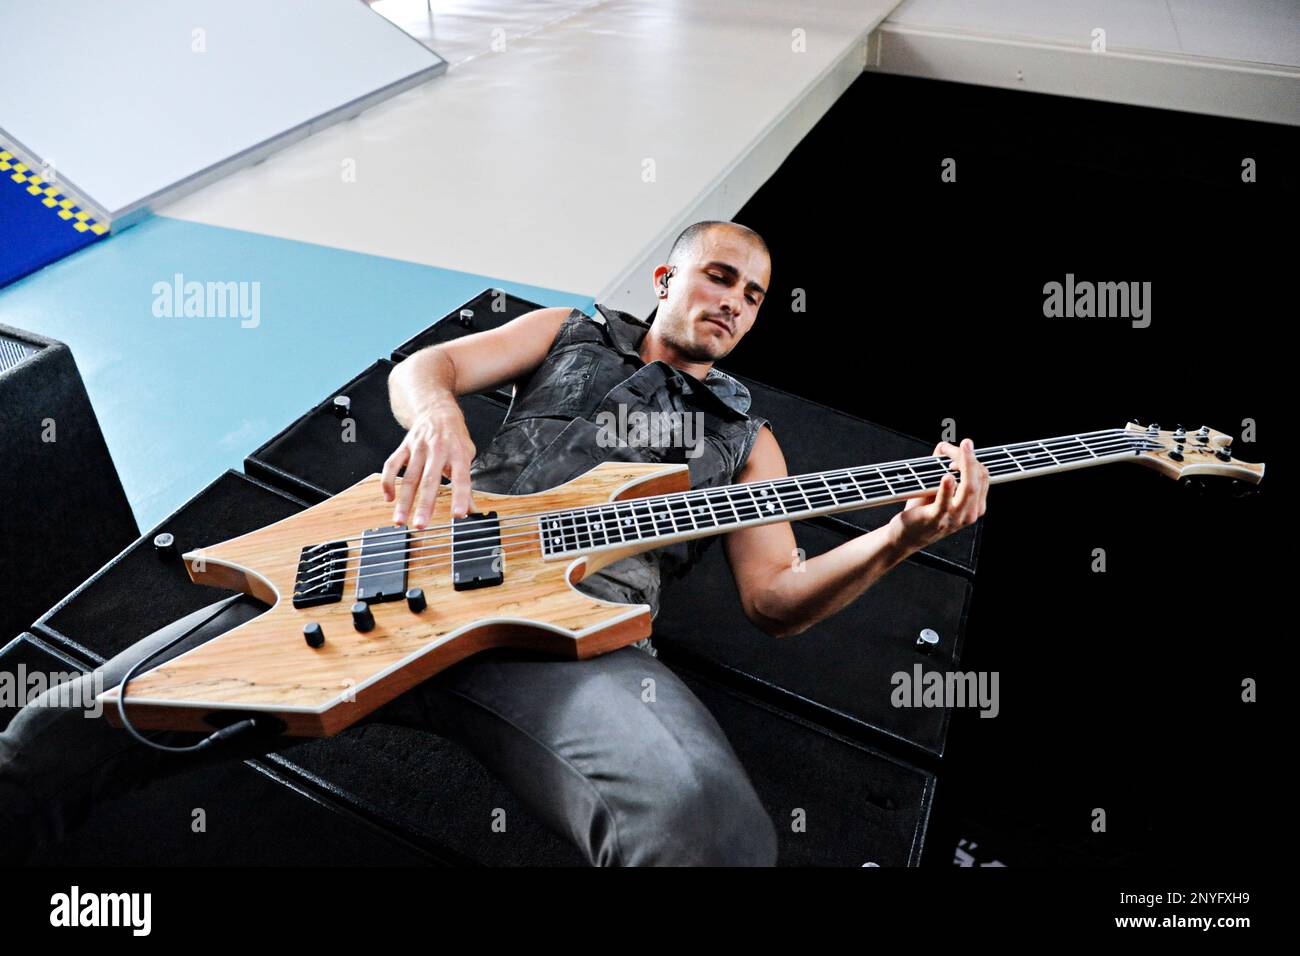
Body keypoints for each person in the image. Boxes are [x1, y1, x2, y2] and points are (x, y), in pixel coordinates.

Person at [0, 220, 987, 866]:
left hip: (562, 643)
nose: (732, 301)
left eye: (753, 295)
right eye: (718, 276)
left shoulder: (747, 438)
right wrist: (436, 415)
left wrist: (895, 539)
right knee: (55, 729)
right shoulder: (572, 331)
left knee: (710, 828)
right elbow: (428, 367)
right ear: (667, 278)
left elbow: (775, 596)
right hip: (388, 568)